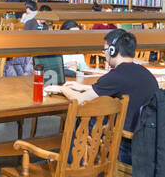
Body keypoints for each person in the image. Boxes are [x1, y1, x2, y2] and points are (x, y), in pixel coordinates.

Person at [50, 29, 159, 161]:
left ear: (113, 50)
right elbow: (119, 88)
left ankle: (68, 161)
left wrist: (61, 89)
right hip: (145, 143)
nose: (105, 53)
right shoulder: (145, 73)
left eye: (105, 49)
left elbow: (79, 100)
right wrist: (85, 87)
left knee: (86, 114)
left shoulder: (117, 75)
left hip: (124, 146)